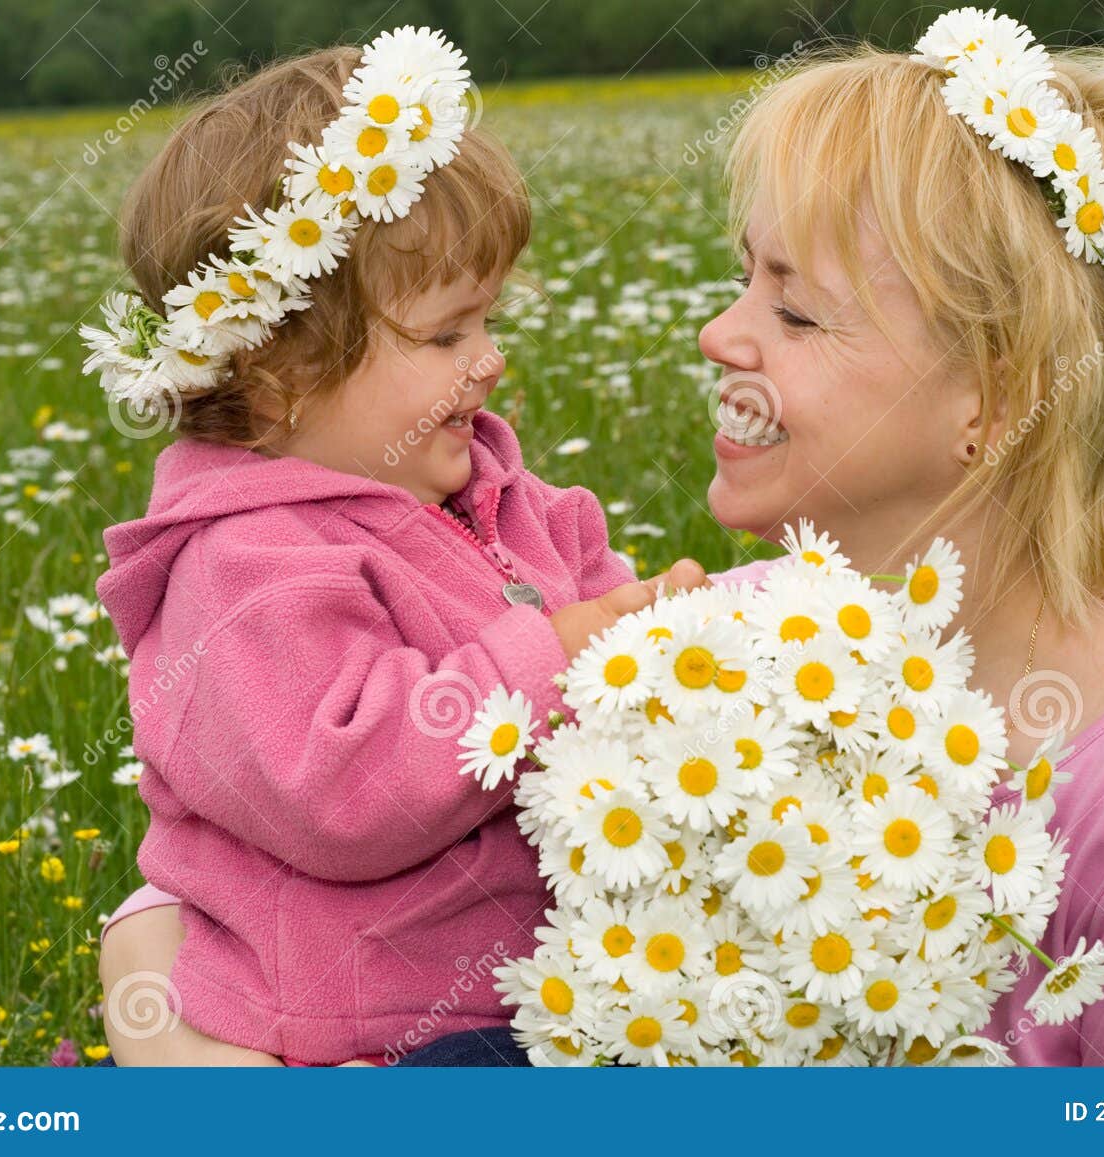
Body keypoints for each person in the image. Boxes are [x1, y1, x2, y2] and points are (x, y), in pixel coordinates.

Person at [99, 17, 1104, 1066]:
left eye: (792, 307)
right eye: (742, 278)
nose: (714, 334)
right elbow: (243, 856)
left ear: (995, 402)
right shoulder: (736, 648)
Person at [78, 28, 709, 1067]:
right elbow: (341, 787)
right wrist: (559, 654)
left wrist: (686, 640)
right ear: (278, 367)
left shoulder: (505, 497)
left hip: (556, 976)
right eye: (446, 336)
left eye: (488, 322)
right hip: (375, 1030)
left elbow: (607, 628)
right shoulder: (245, 568)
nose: (491, 362)